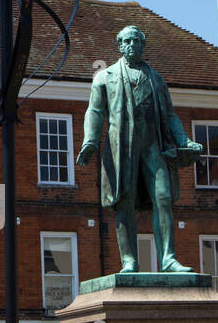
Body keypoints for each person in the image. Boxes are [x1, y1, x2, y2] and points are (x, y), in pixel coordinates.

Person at [77, 25, 204, 272]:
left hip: (153, 147)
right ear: (119, 45)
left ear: (143, 46)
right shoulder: (105, 76)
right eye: (127, 41)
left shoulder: (156, 79)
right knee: (124, 201)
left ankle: (168, 259)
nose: (132, 45)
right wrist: (90, 141)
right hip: (121, 148)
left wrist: (184, 141)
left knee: (164, 197)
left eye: (137, 41)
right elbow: (94, 111)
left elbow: (169, 116)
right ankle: (129, 261)